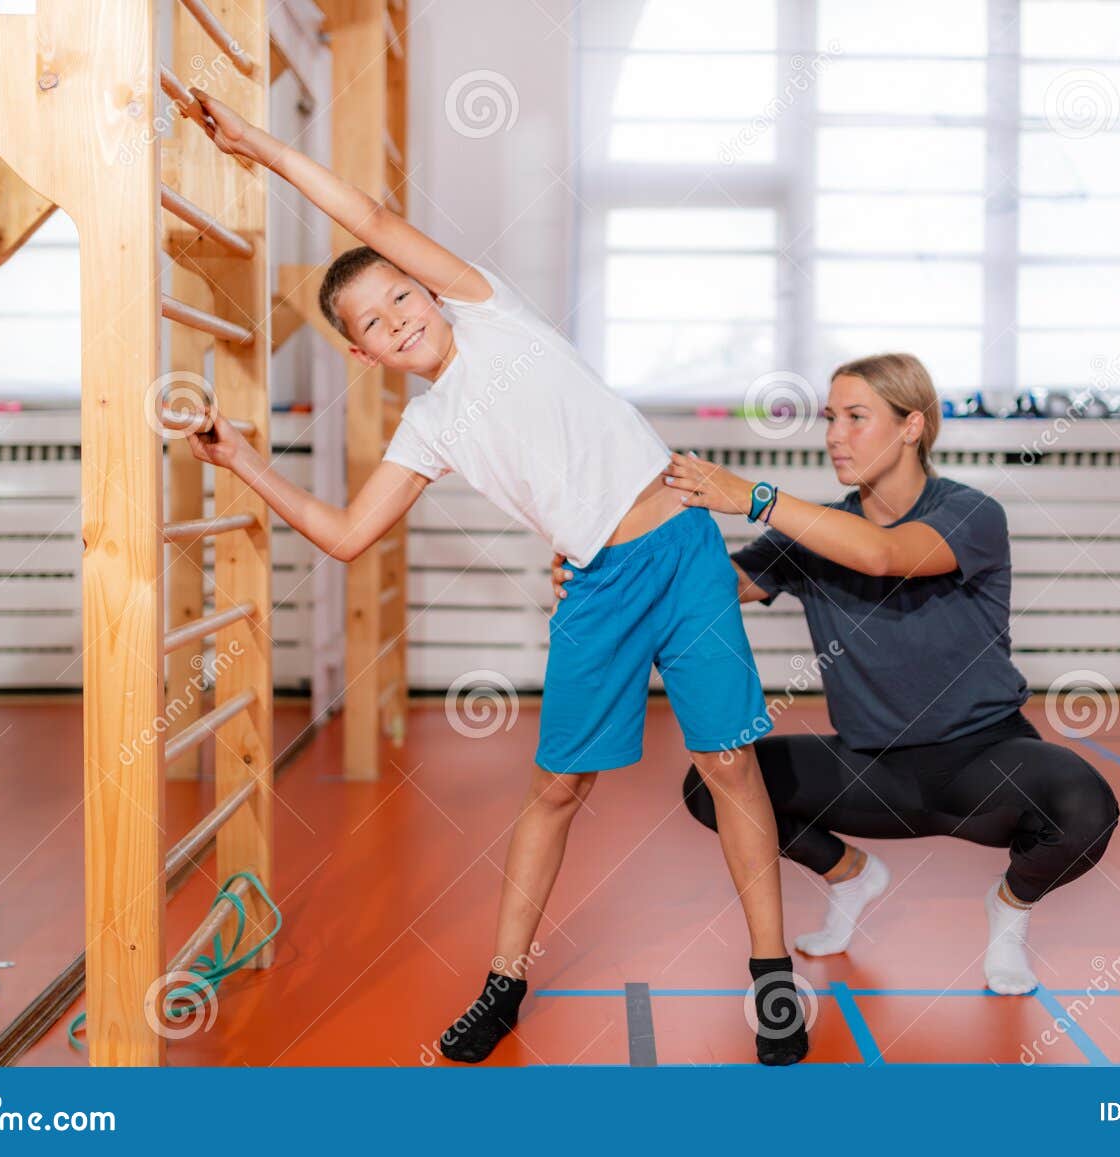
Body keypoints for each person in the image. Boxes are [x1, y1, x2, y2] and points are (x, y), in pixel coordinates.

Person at [183, 91, 809, 1064]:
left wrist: (258, 144)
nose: (397, 318)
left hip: (683, 549)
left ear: (432, 291)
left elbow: (373, 218)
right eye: (372, 322)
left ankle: (772, 974)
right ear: (360, 352)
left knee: (729, 764)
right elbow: (345, 535)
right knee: (556, 790)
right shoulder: (426, 426)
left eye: (402, 296)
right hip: (598, 587)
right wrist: (242, 461)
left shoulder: (491, 314)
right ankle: (504, 980)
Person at [553, 353, 1120, 995]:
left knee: (1086, 807)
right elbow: (700, 590)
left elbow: (883, 555)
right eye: (829, 418)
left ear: (912, 426)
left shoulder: (972, 514)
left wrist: (754, 497)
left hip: (982, 763)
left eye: (856, 417)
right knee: (711, 787)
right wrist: (596, 574)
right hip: (873, 770)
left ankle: (1010, 910)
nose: (834, 435)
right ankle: (851, 875)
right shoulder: (811, 534)